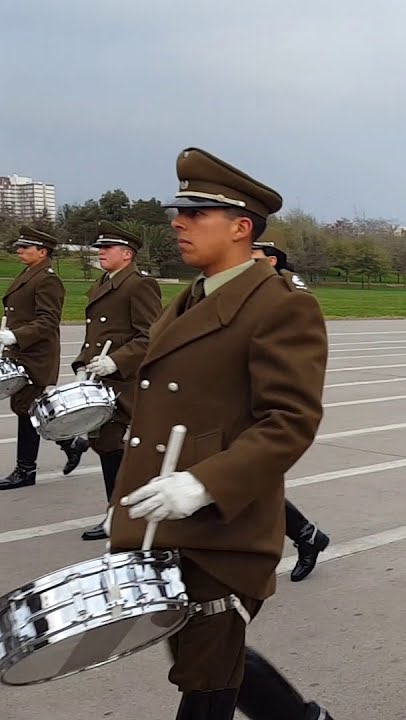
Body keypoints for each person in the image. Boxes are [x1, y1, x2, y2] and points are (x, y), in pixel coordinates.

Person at [111, 147, 334, 720]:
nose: (177, 223)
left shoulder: (279, 307)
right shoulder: (191, 297)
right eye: (177, 212)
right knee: (207, 662)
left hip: (223, 534)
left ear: (241, 228)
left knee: (205, 683)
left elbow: (291, 420)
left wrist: (204, 483)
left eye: (195, 214)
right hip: (167, 528)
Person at [73, 221, 163, 539]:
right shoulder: (103, 283)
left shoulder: (139, 285)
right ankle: (121, 511)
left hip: (125, 381)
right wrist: (84, 365)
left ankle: (122, 513)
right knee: (105, 446)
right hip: (102, 378)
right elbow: (96, 334)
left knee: (115, 446)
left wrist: (116, 360)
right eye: (99, 248)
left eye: (106, 248)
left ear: (126, 254)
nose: (100, 252)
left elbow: (151, 334)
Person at [248, 240, 332, 583]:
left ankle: (305, 535)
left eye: (252, 258)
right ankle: (306, 535)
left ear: (270, 261)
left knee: (249, 484)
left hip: (259, 406)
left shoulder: (286, 296)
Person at [0, 226, 74, 490]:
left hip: (36, 354)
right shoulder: (31, 273)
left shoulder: (47, 279)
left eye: (25, 248)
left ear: (42, 252)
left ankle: (25, 470)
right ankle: (71, 443)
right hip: (22, 351)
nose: (19, 251)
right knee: (28, 408)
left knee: (26, 409)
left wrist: (15, 335)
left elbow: (48, 321)